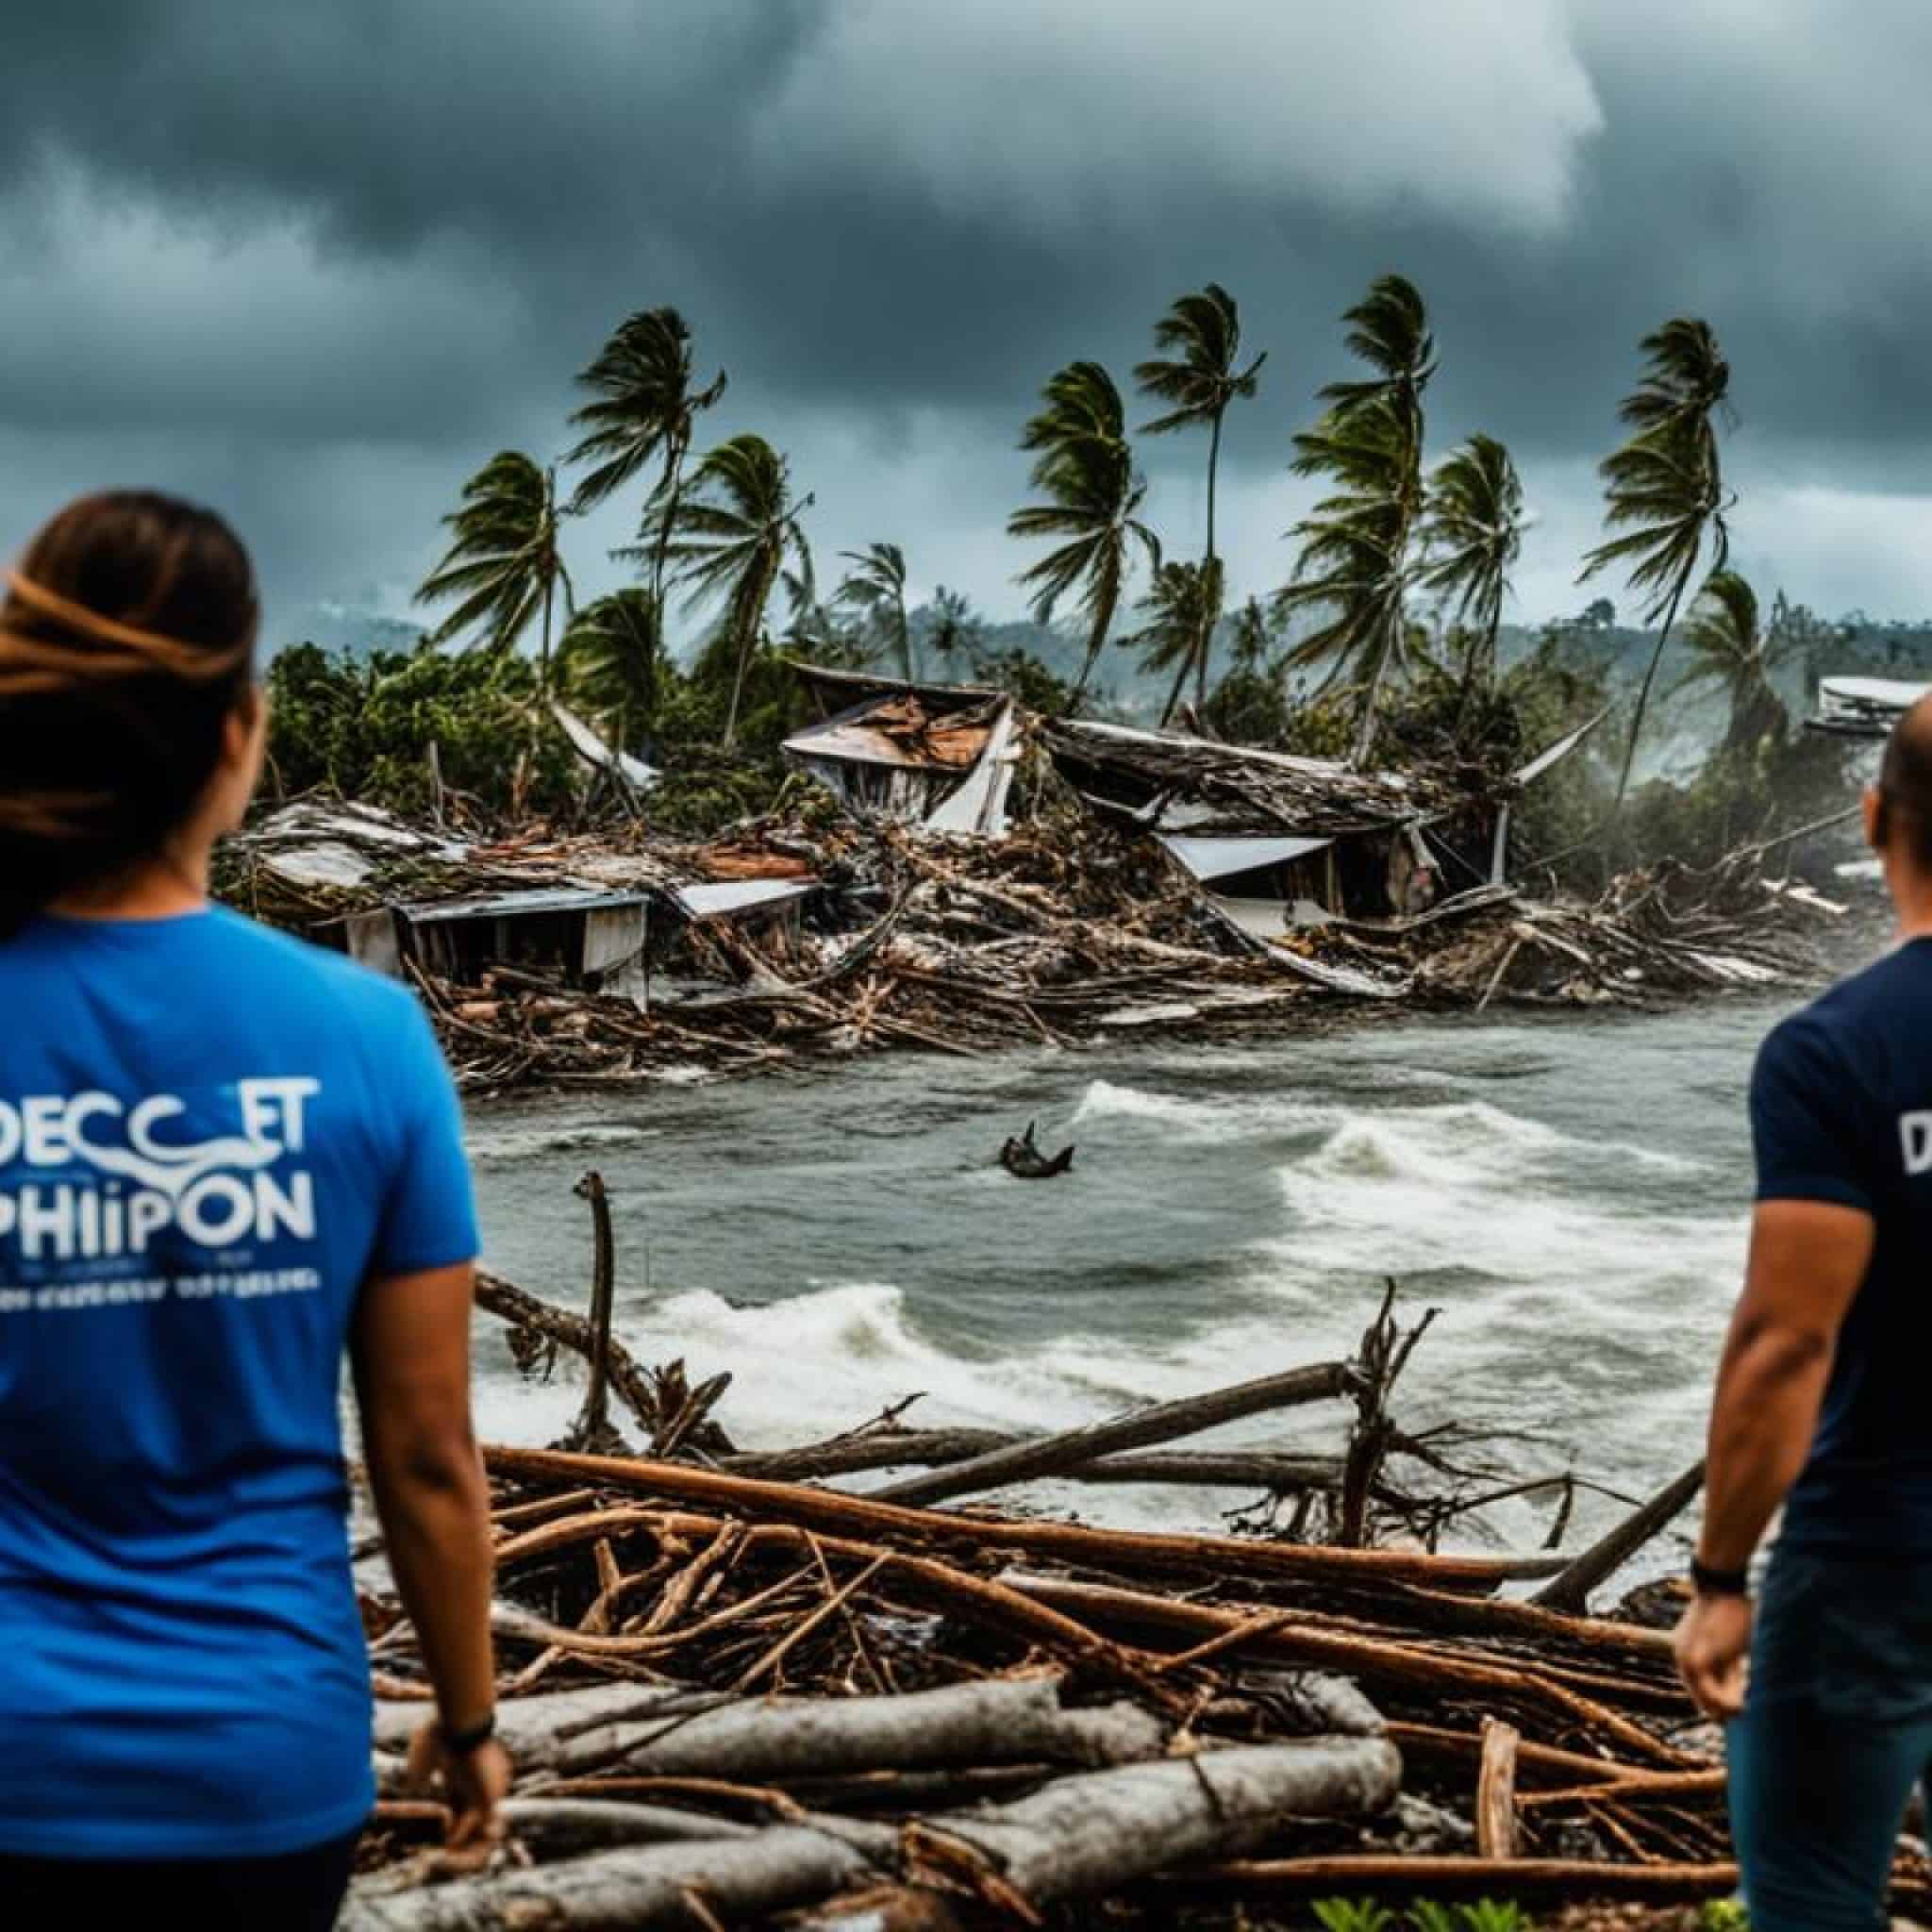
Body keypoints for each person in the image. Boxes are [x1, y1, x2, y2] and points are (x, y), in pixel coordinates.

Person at [0, 492, 508, 1925]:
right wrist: (469, 1729)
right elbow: (425, 1459)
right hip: (259, 1771)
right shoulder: (364, 1037)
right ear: (238, 733)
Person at [1676, 693, 1932, 1930]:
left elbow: (1787, 1342)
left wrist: (1720, 1576)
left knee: (1816, 1895)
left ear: (1875, 817)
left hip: (1876, 1555)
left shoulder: (1835, 1053)